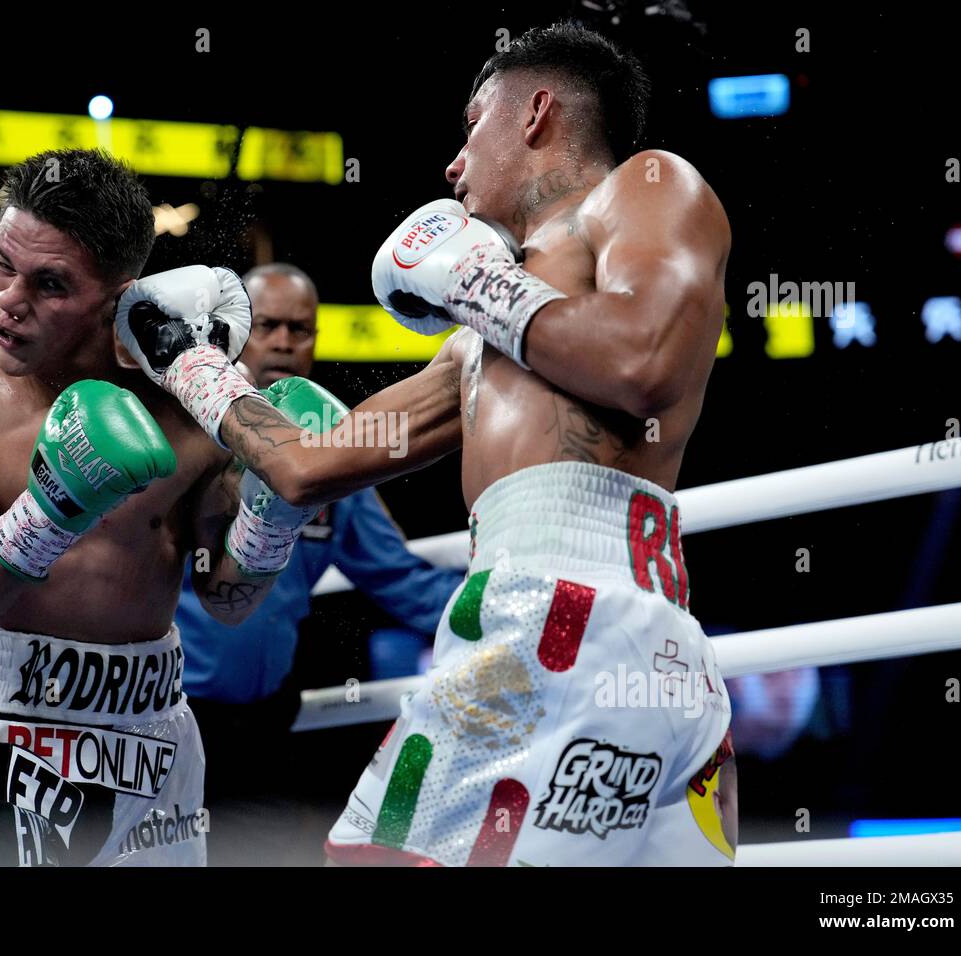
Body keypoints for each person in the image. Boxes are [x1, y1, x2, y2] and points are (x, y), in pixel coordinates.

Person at [116, 20, 737, 866]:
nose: (451, 167)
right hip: (634, 656)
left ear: (536, 112)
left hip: (560, 624)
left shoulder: (646, 185)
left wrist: (473, 279)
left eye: (471, 123)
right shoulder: (480, 343)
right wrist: (188, 364)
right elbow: (306, 467)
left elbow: (643, 359)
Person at [0, 148, 332, 866]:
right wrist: (52, 508)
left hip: (154, 733)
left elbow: (225, 598)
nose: (8, 298)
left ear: (117, 296)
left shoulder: (188, 398)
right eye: (1, 262)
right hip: (2, 728)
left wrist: (269, 521)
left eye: (50, 285)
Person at [174, 263, 463, 864]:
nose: (283, 341)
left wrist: (508, 602)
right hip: (166, 718)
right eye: (268, 325)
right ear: (231, 330)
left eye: (300, 329)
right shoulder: (184, 437)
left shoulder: (330, 456)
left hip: (265, 728)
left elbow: (401, 580)